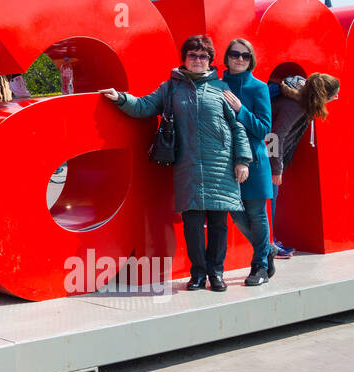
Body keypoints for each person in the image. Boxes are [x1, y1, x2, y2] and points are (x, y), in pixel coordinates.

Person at [100, 35, 252, 292]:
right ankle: (197, 274)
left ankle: (216, 274)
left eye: (203, 56)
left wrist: (242, 161)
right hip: (187, 166)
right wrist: (121, 98)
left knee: (218, 224)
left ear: (210, 61)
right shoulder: (170, 88)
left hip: (221, 166)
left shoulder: (221, 89)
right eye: (192, 55)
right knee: (192, 224)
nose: (197, 60)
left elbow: (237, 128)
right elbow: (145, 106)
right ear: (184, 58)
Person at [219, 38, 275, 286]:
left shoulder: (259, 88)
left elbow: (263, 128)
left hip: (254, 162)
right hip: (223, 163)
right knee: (235, 213)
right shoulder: (217, 86)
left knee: (256, 214)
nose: (239, 59)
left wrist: (241, 109)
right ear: (227, 57)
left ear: (251, 60)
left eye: (245, 55)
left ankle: (260, 266)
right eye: (235, 54)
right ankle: (267, 249)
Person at [267, 73, 341, 256]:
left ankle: (271, 241)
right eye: (334, 95)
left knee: (271, 200)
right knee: (271, 200)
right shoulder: (296, 106)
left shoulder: (302, 102)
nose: (335, 98)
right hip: (267, 160)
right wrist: (275, 168)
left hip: (272, 158)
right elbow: (275, 136)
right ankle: (270, 244)